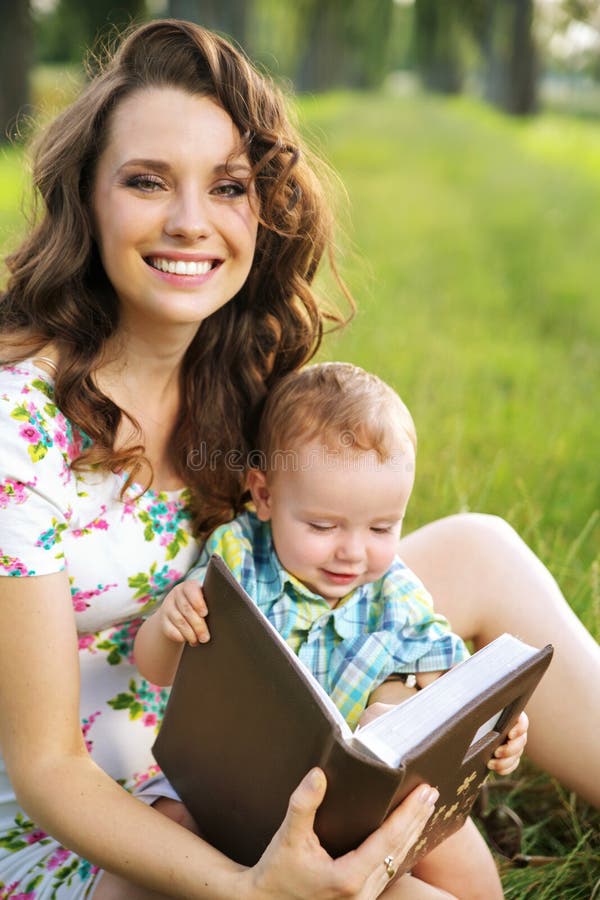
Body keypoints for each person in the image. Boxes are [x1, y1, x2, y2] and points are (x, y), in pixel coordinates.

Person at [0, 14, 596, 900]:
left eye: (228, 188)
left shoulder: (239, 376)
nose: (190, 222)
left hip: (260, 756)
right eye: (147, 181)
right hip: (104, 822)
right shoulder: (20, 421)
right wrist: (249, 888)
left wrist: (453, 714)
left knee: (478, 547)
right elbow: (49, 768)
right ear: (88, 197)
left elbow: (331, 574)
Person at [133, 361, 529, 900]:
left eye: (383, 527)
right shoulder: (239, 559)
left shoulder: (394, 592)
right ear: (265, 496)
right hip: (225, 788)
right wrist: (169, 624)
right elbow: (154, 670)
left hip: (344, 809)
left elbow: (453, 691)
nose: (353, 551)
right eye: (322, 526)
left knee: (443, 830)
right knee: (161, 827)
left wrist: (495, 732)